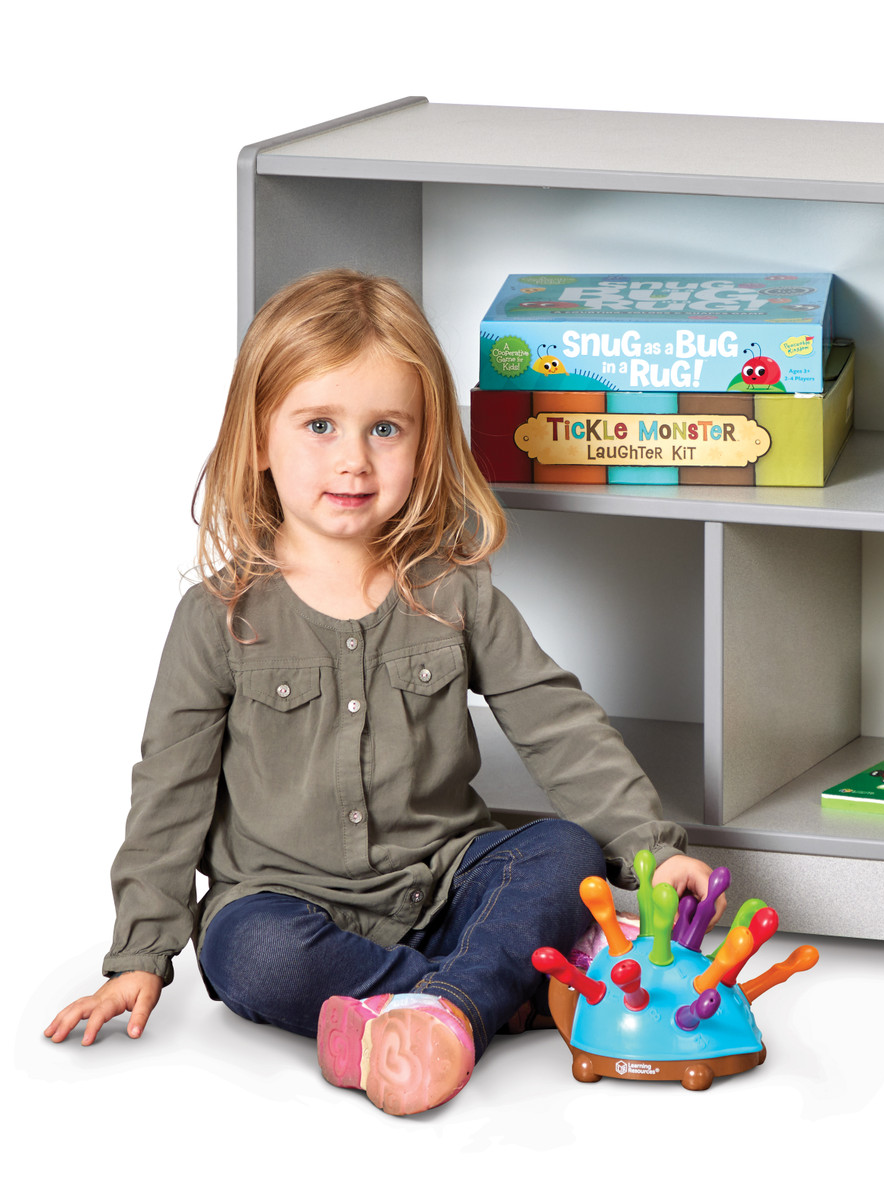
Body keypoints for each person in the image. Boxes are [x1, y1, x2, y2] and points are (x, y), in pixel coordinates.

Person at [42, 269, 718, 1115]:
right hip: (284, 902)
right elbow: (168, 792)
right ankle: (489, 992)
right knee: (248, 957)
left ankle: (430, 1010)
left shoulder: (457, 594)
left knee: (562, 853)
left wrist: (651, 847)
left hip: (443, 881)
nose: (353, 459)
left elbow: (557, 721)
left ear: (425, 443)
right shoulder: (216, 618)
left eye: (385, 429)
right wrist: (140, 952)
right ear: (259, 437)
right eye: (319, 425)